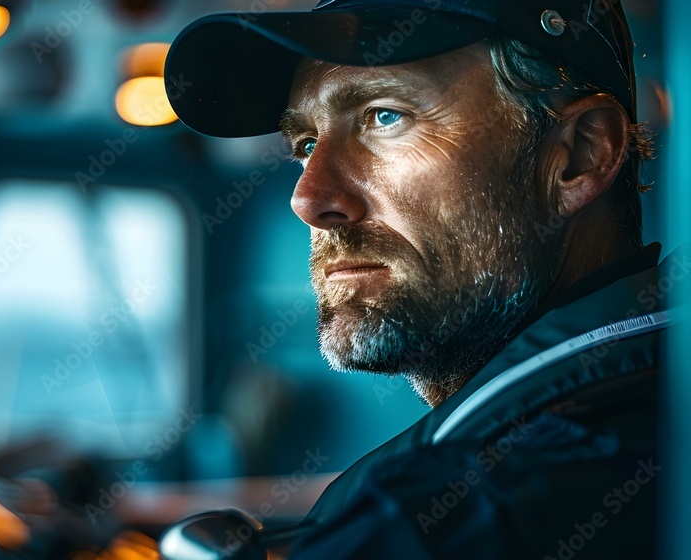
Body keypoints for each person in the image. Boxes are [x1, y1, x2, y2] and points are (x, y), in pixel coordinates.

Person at [162, 0, 686, 558]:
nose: (309, 199)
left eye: (385, 116)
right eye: (307, 145)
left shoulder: (523, 492)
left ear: (580, 156)